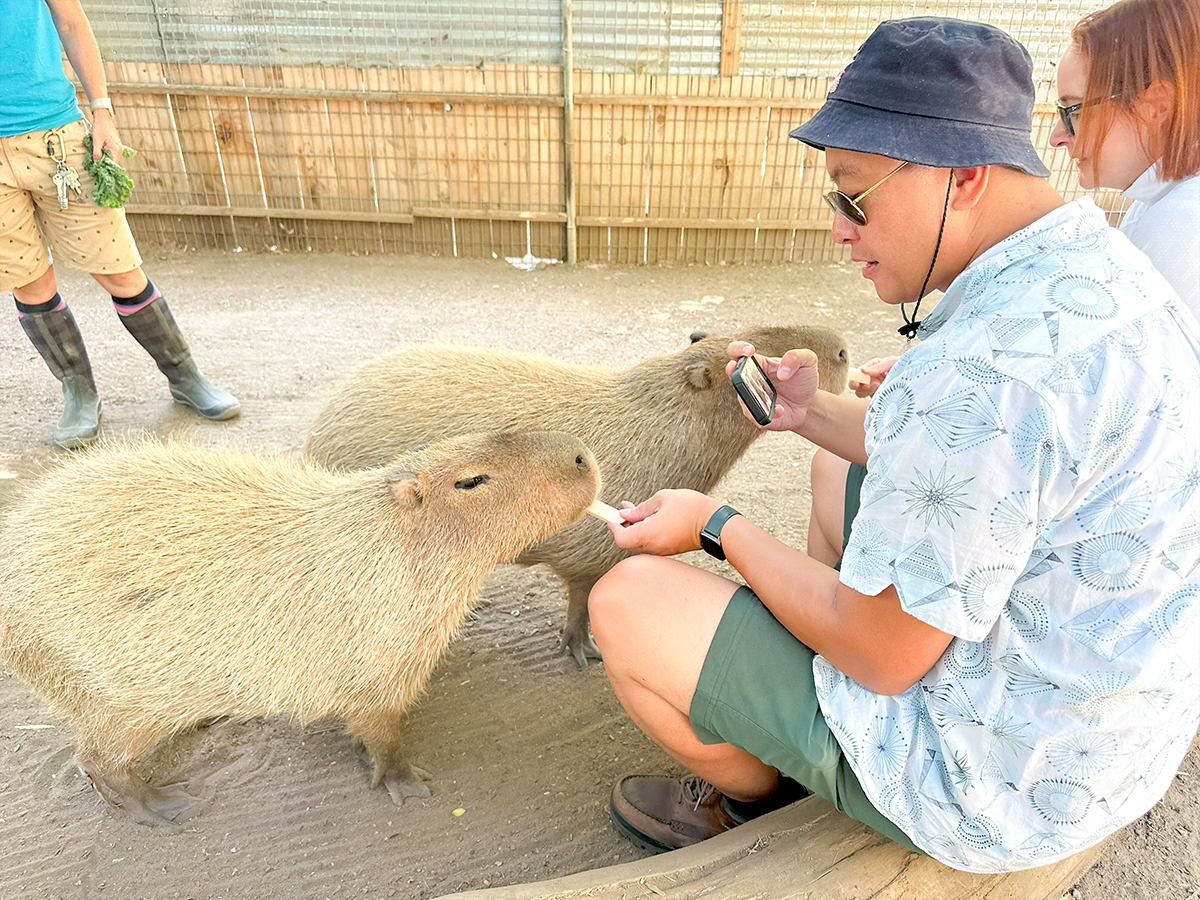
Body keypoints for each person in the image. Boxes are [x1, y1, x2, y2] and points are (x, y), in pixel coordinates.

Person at [588, 16, 1199, 874]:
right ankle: (796, 701)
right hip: (1103, 731)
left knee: (625, 601)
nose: (839, 226)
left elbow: (884, 654)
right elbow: (981, 465)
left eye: (854, 194)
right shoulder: (1095, 265)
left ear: (965, 179)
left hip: (997, 782)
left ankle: (757, 794)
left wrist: (718, 526)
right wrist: (808, 413)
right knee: (835, 464)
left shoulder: (982, 371)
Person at [1, 0, 239, 450]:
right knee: (28, 282)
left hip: (55, 137)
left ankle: (185, 377)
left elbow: (71, 21)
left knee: (119, 268)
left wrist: (102, 109)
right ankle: (79, 392)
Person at [1050, 0, 1199, 323]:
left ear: (1157, 106)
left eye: (1073, 110)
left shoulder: (1181, 221)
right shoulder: (1155, 204)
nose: (1057, 136)